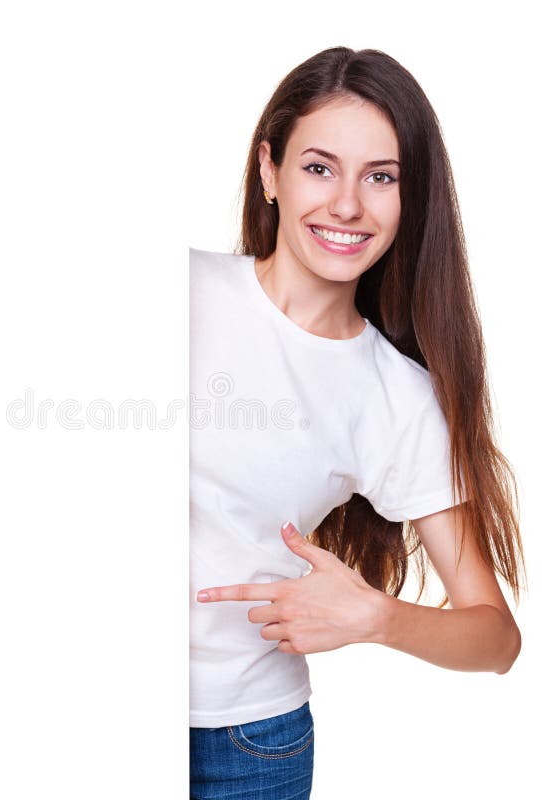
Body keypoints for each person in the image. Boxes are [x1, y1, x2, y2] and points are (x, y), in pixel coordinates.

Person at [189, 46, 526, 800]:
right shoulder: (180, 287)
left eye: (382, 177)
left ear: (412, 201)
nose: (347, 204)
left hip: (246, 744)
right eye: (319, 167)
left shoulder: (396, 400)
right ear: (269, 170)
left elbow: (496, 638)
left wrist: (376, 616)